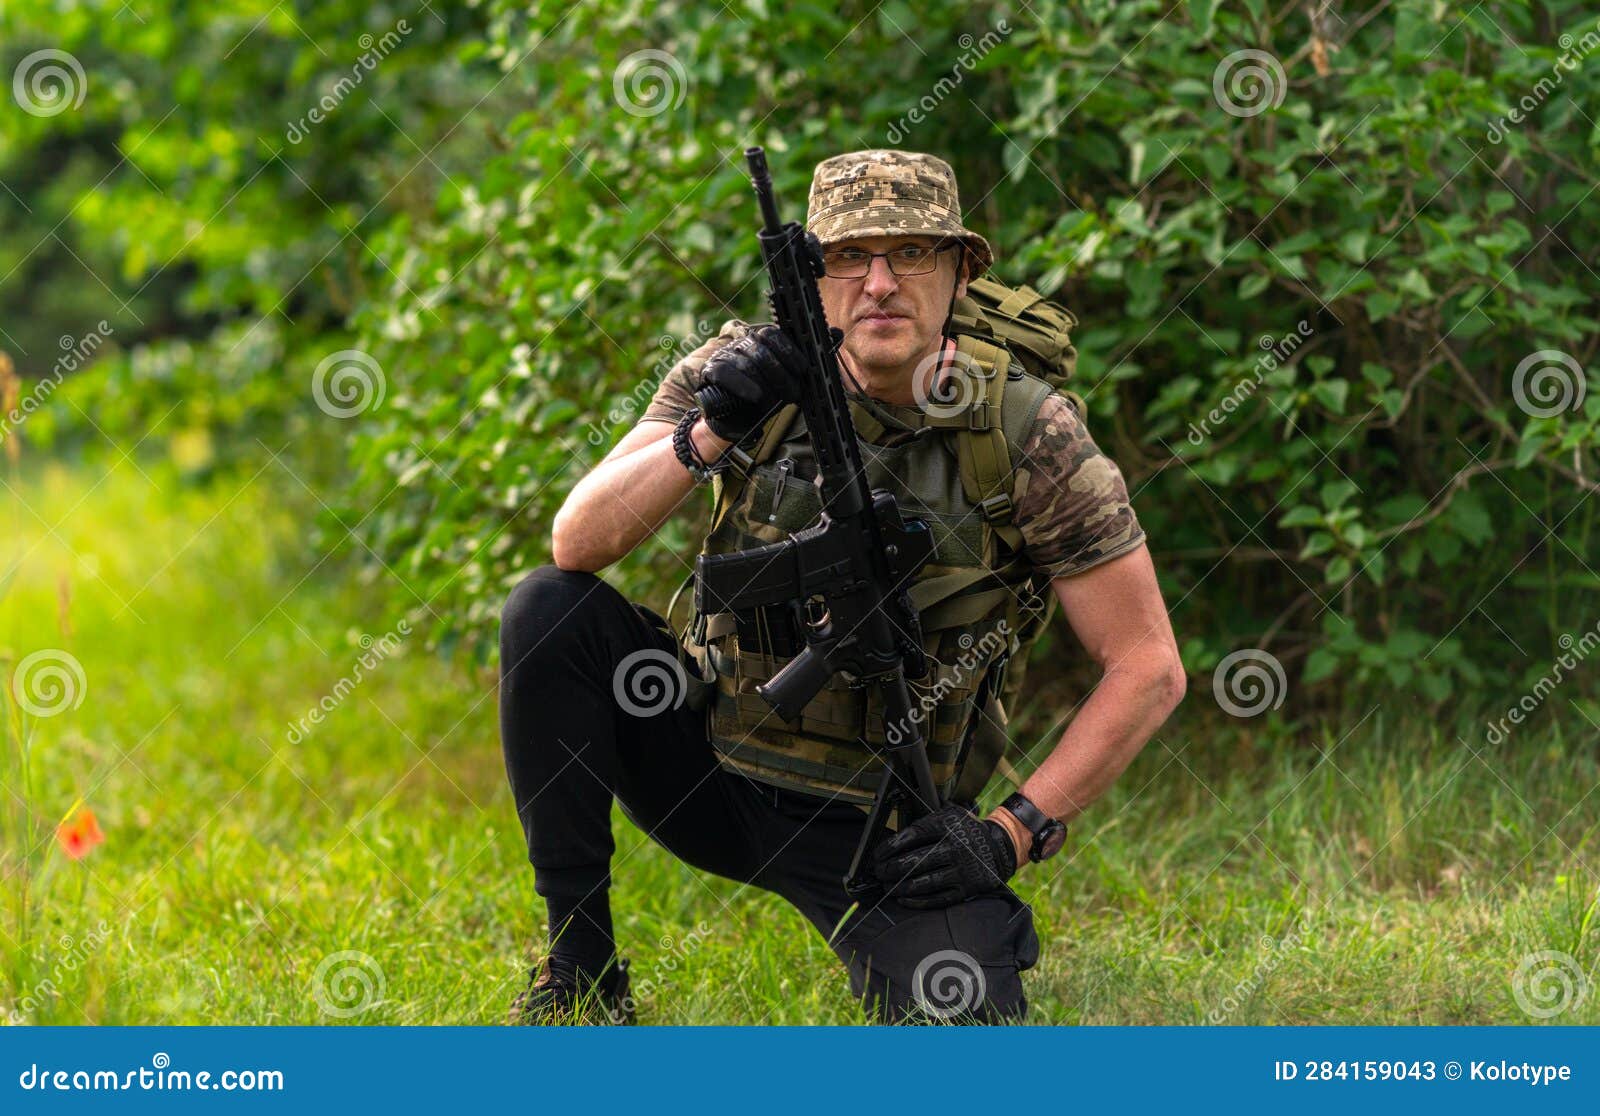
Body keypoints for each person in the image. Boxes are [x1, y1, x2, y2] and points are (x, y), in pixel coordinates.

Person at [498, 149, 1185, 1024]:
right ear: (811, 280)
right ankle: (581, 970)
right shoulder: (744, 374)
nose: (880, 284)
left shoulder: (1025, 430)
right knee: (548, 613)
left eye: (912, 254)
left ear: (961, 270)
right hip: (711, 768)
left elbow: (1148, 667)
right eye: (849, 258)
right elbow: (577, 541)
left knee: (966, 1038)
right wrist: (712, 427)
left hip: (887, 833)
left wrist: (1009, 833)